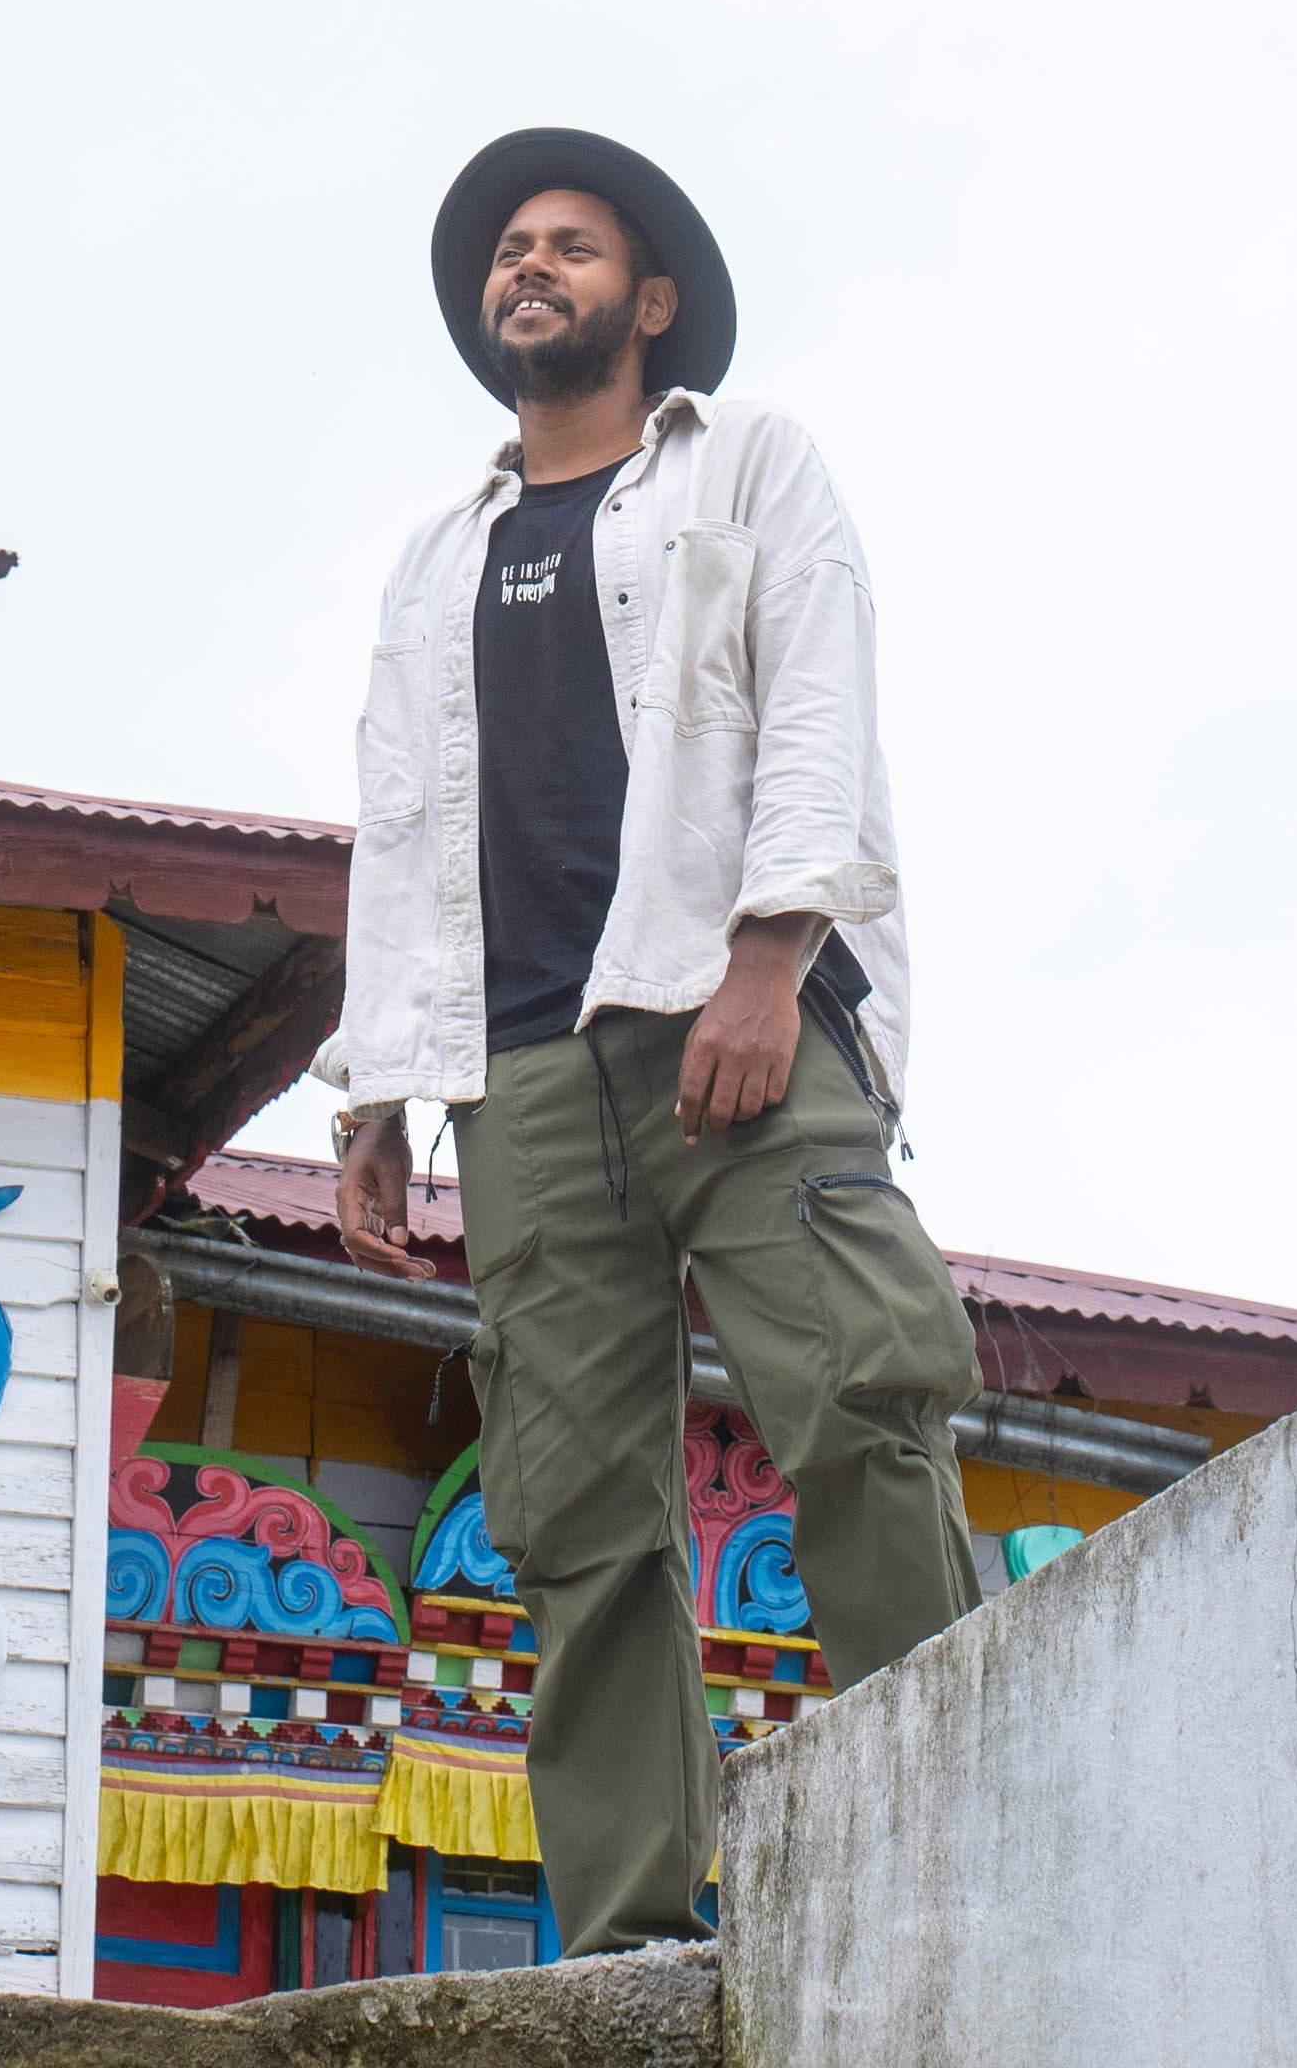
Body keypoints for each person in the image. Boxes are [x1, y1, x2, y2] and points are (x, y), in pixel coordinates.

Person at [322, 129, 979, 1953]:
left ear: (650, 299)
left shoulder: (749, 465)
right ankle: (625, 1938)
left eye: (572, 245)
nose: (530, 267)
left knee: (858, 1390)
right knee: (571, 1507)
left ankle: (956, 1851)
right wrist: (383, 1089)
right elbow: (400, 823)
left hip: (729, 1004)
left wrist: (771, 957)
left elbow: (822, 698)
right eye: (511, 250)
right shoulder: (435, 561)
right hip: (521, 1072)